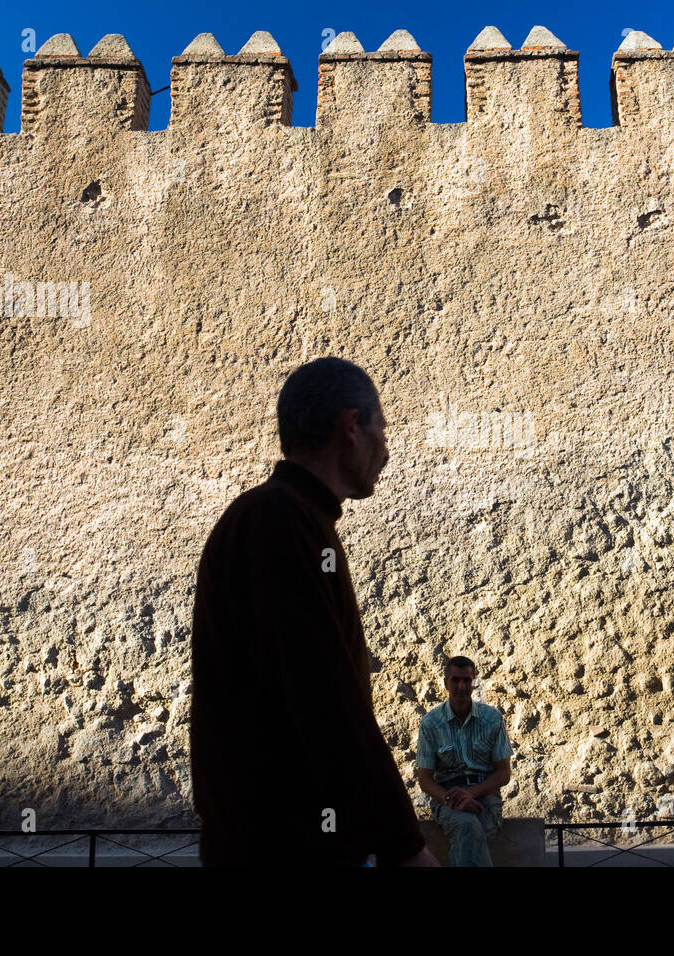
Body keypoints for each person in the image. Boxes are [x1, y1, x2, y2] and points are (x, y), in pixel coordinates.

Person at [191, 356, 436, 867]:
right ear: (351, 427)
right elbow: (325, 699)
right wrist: (406, 850)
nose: (386, 450)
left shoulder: (286, 518)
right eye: (381, 429)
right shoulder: (278, 520)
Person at [415, 656, 513, 866]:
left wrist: (470, 793)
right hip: (448, 797)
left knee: (470, 832)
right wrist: (452, 799)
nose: (461, 686)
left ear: (474, 682)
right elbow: (424, 778)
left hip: (485, 796)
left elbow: (504, 772)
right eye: (455, 680)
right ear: (445, 683)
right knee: (468, 826)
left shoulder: (492, 719)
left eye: (467, 681)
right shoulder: (431, 723)